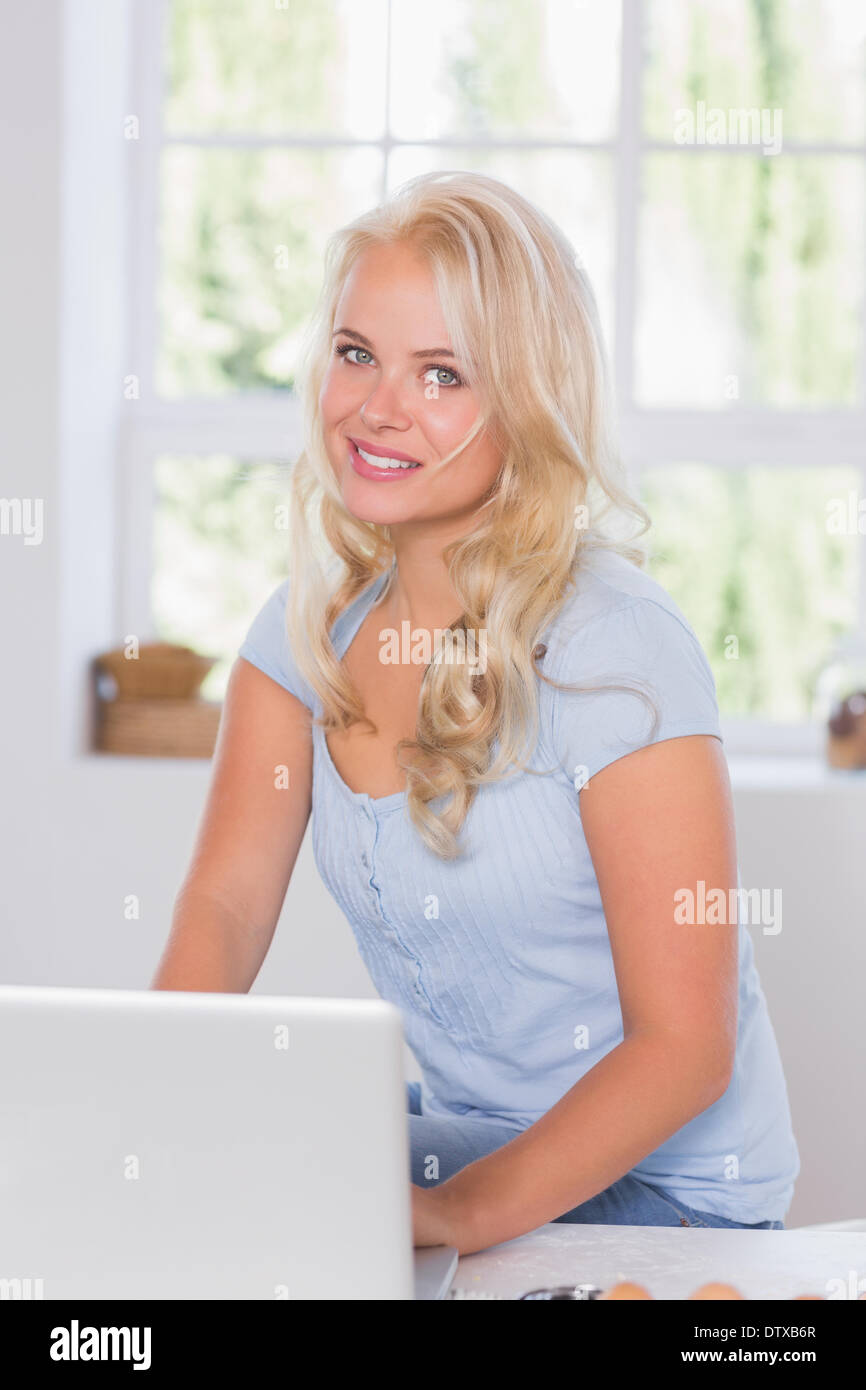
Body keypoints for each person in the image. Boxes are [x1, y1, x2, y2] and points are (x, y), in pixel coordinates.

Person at [151, 171, 799, 1256]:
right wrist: (143, 1105)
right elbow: (221, 908)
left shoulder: (617, 653)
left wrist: (454, 1216)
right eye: (355, 353)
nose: (376, 408)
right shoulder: (298, 640)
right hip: (466, 1142)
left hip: (672, 1195)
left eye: (441, 374)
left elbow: (685, 1045)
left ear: (527, 401)